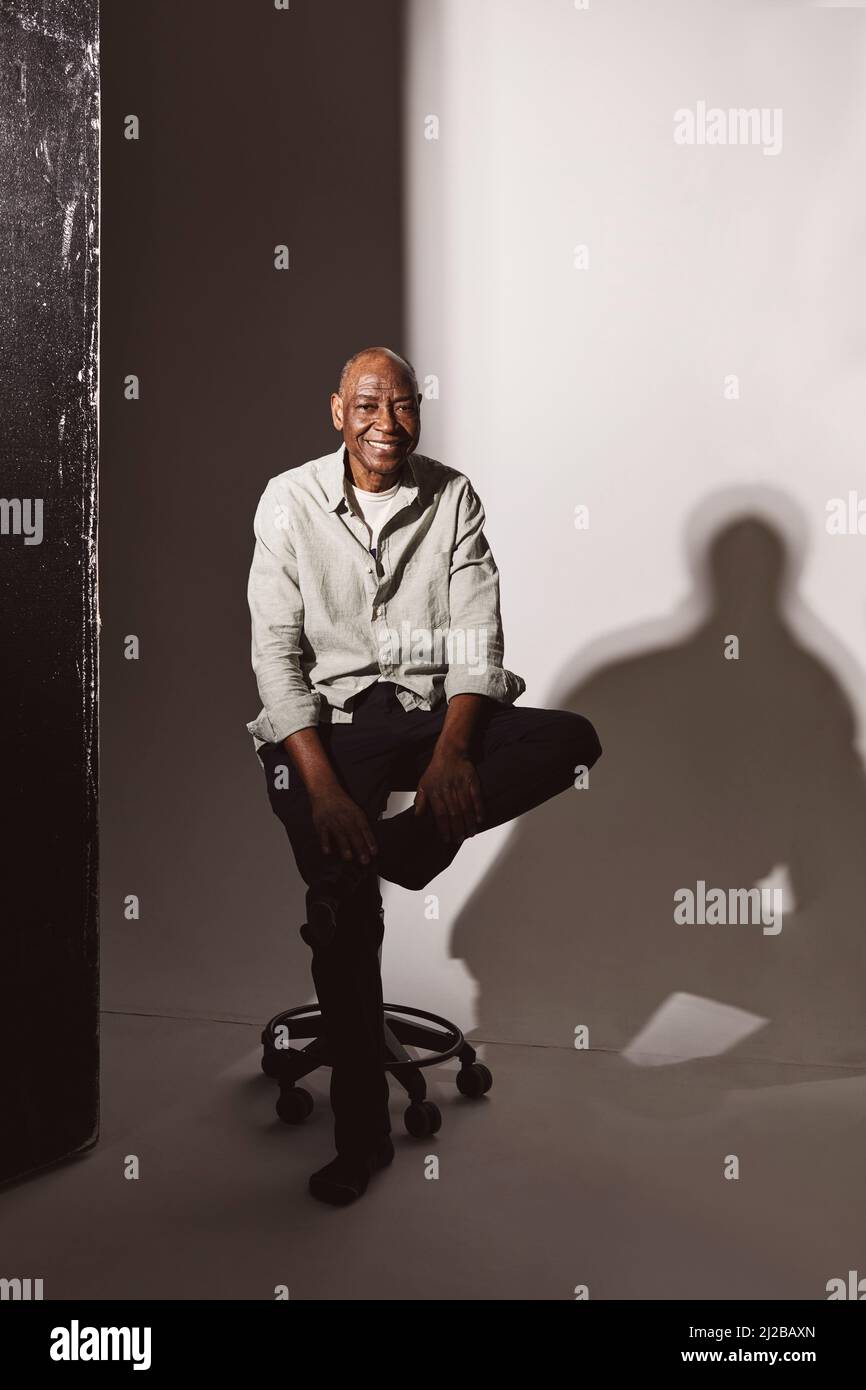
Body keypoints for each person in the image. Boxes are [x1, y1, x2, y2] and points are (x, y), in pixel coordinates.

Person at [246, 346, 602, 1204]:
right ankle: (362, 1141)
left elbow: (480, 643)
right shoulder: (290, 501)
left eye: (404, 405)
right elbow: (276, 659)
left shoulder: (453, 496)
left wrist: (448, 757)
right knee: (338, 901)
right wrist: (325, 788)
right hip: (323, 732)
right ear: (337, 411)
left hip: (421, 720)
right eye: (369, 406)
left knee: (569, 738)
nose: (386, 423)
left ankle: (398, 849)